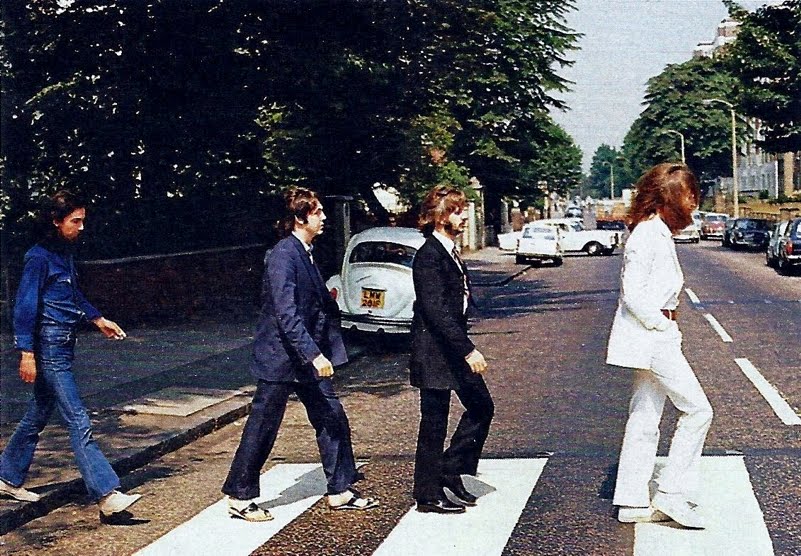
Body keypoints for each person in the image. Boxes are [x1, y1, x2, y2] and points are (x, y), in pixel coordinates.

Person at [222, 187, 378, 522]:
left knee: (331, 416)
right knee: (263, 426)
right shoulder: (283, 255)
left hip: (304, 356)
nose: (323, 217)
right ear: (299, 218)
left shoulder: (305, 251)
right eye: (318, 211)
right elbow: (285, 313)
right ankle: (239, 495)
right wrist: (314, 355)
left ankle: (340, 489)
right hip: (283, 356)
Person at [0, 190, 142, 520]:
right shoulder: (38, 257)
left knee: (38, 412)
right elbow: (24, 307)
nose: (81, 227)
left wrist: (98, 319)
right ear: (56, 221)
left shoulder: (63, 254)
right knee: (78, 419)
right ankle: (106, 495)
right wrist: (26, 353)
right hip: (49, 348)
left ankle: (7, 475)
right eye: (75, 221)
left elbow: (72, 296)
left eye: (83, 221)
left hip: (64, 343)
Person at [607, 163, 714, 529]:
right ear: (669, 196)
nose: (693, 203)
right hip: (653, 337)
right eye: (688, 195)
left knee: (645, 416)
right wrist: (662, 326)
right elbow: (633, 294)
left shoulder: (656, 232)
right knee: (699, 411)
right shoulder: (649, 235)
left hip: (652, 336)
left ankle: (631, 498)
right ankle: (671, 494)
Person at [410, 184, 493, 514]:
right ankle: (427, 494)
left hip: (451, 351)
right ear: (440, 216)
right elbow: (436, 312)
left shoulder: (448, 251)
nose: (463, 217)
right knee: (433, 424)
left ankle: (451, 468)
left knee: (482, 406)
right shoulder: (428, 256)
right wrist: (468, 350)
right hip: (434, 353)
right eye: (457, 211)